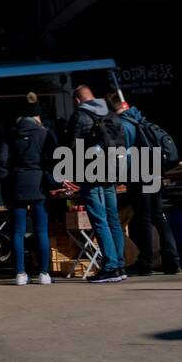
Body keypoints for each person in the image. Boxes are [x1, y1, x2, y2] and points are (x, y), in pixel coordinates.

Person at [107, 92, 182, 276]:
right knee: (159, 216)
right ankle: (173, 261)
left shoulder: (123, 125)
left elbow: (124, 155)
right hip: (155, 170)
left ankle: (145, 263)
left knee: (144, 219)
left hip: (138, 174)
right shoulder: (140, 119)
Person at [61, 85, 127, 283]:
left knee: (99, 220)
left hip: (90, 174)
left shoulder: (80, 116)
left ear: (77, 100)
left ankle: (110, 266)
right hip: (112, 172)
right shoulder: (111, 113)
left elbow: (70, 146)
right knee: (113, 218)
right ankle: (120, 264)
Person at [0, 99, 55, 285]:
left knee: (18, 231)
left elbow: (1, 162)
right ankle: (44, 274)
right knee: (41, 230)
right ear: (36, 116)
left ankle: (20, 273)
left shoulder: (10, 135)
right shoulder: (44, 134)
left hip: (16, 187)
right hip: (39, 186)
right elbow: (53, 160)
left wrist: (5, 176)